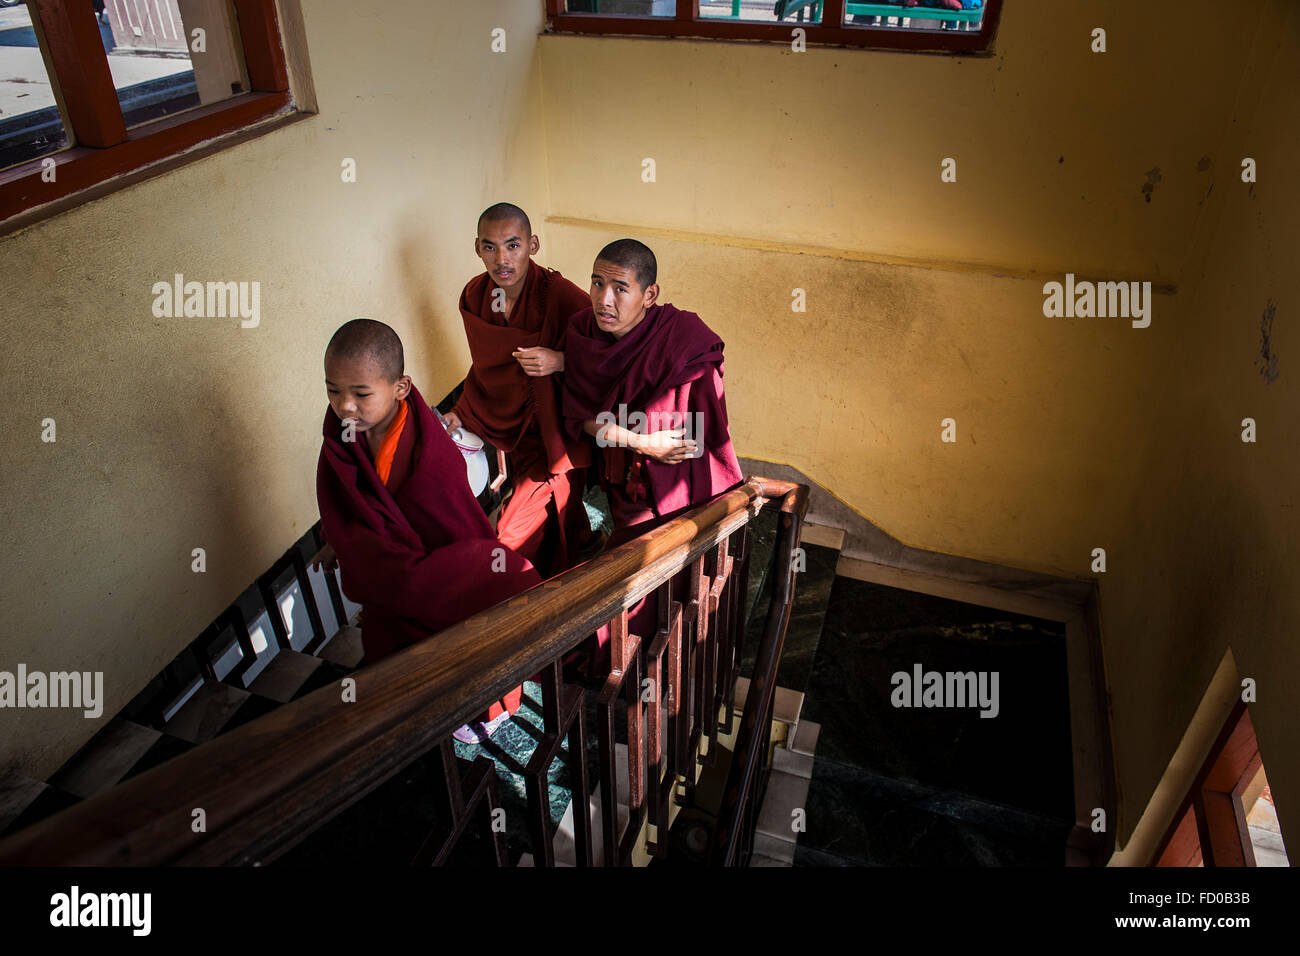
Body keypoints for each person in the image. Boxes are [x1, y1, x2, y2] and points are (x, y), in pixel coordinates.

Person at [314, 318, 539, 743]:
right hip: (389, 578)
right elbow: (347, 498)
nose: (345, 406)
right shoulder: (343, 433)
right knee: (396, 646)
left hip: (437, 571)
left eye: (361, 394)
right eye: (333, 390)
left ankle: (487, 706)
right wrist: (335, 539)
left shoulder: (426, 451)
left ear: (401, 388)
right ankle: (435, 703)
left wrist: (407, 574)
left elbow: (451, 522)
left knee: (469, 630)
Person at [563, 239, 744, 669]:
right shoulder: (584, 334)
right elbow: (582, 418)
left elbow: (699, 432)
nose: (604, 300)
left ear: (650, 295)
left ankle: (644, 662)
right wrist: (641, 441)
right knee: (619, 576)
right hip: (624, 472)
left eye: (620, 288)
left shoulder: (684, 339)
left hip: (666, 483)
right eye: (596, 283)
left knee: (640, 580)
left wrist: (654, 446)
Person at [443, 203, 596, 579]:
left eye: (513, 245)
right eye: (490, 247)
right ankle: (577, 560)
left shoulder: (561, 296)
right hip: (518, 434)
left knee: (512, 534)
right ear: (477, 248)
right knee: (560, 513)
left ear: (533, 244)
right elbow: (485, 370)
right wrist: (461, 413)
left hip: (558, 431)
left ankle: (521, 593)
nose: (502, 259)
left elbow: (605, 354)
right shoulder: (477, 297)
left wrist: (558, 361)